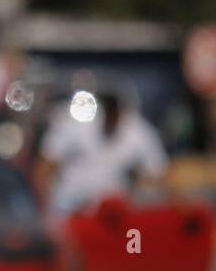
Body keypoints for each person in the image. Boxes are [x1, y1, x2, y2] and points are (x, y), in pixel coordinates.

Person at [31, 90, 171, 227]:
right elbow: (44, 166)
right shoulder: (74, 123)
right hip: (69, 208)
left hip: (114, 216)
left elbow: (159, 174)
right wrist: (46, 211)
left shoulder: (138, 130)